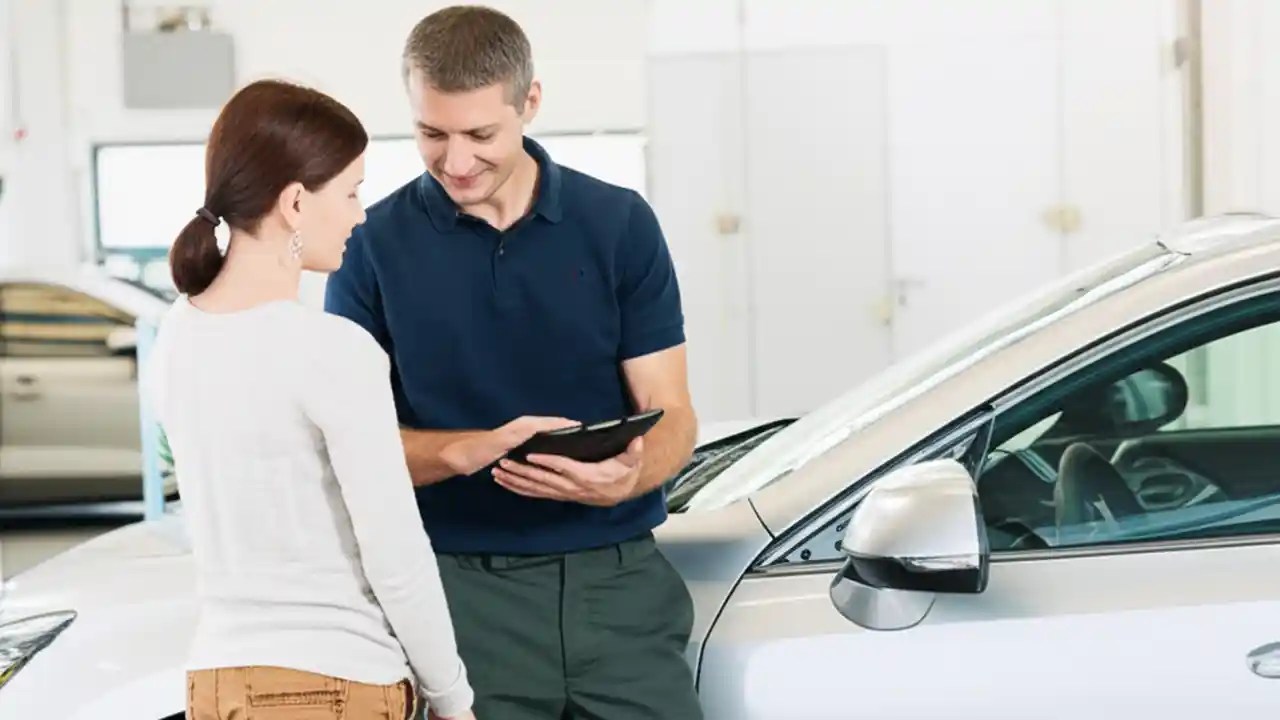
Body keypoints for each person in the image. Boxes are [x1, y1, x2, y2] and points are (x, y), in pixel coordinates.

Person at [324, 6, 704, 719]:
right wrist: (468, 450)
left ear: (530, 103)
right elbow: (351, 446)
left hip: (619, 585)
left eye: (480, 134)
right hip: (457, 595)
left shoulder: (619, 224)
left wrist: (627, 477)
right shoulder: (368, 246)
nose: (456, 162)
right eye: (431, 133)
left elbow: (674, 414)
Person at [145, 78, 478, 720]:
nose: (360, 213)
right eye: (351, 191)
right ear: (295, 203)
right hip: (333, 682)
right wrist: (451, 697)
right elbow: (397, 556)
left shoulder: (177, 333)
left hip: (216, 683)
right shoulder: (331, 350)